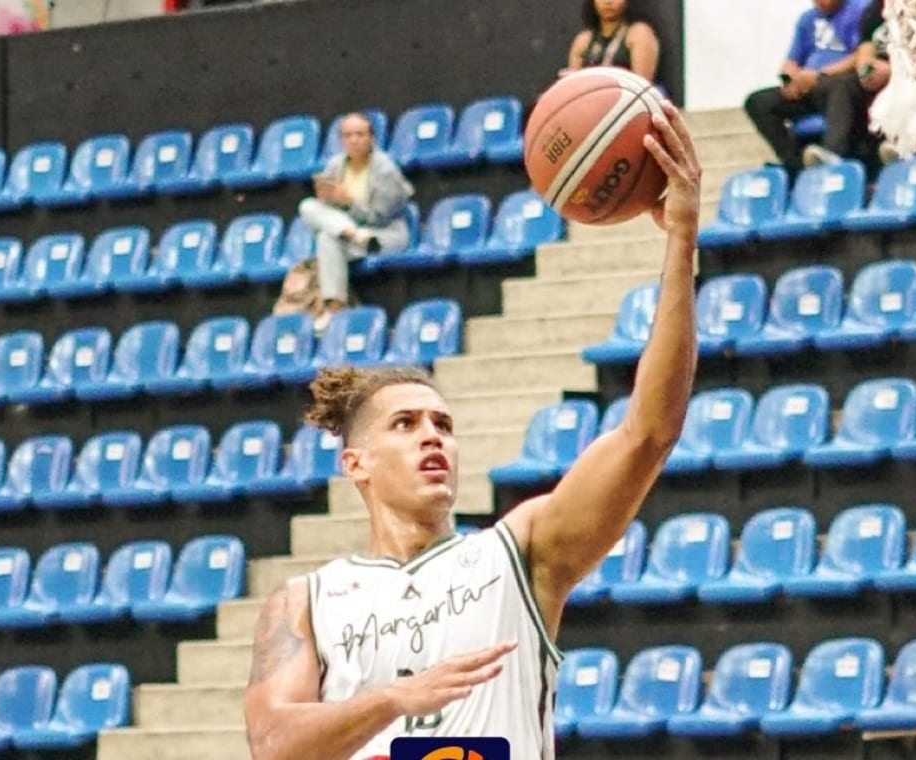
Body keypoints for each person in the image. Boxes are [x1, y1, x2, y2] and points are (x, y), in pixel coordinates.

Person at [243, 101, 701, 760]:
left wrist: (681, 239)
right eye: (405, 424)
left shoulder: (521, 552)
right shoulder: (303, 602)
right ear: (357, 463)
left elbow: (648, 433)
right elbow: (271, 744)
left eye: (444, 424)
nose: (434, 436)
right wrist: (394, 698)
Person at [297, 112, 414, 332]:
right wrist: (329, 199)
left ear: (371, 138)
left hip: (382, 235)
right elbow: (326, 212)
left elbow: (380, 218)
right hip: (354, 235)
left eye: (360, 134)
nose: (353, 140)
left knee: (326, 236)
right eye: (348, 135)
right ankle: (335, 306)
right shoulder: (335, 165)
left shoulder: (385, 169)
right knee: (307, 207)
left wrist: (349, 202)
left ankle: (333, 307)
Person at [744, 0, 868, 179]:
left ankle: (831, 156)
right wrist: (790, 78)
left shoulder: (860, 11)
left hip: (841, 83)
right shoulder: (807, 19)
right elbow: (791, 61)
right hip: (808, 88)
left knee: (840, 85)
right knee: (758, 102)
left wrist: (819, 75)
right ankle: (795, 164)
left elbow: (860, 56)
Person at [801, 0, 894, 169]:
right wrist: (867, 73)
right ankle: (801, 167)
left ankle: (835, 152)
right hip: (877, 78)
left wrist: (895, 70)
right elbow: (865, 51)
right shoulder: (876, 9)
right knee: (844, 84)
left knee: (839, 84)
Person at [561, 0, 659, 82]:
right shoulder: (583, 40)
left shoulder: (639, 33)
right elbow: (572, 88)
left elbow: (641, 86)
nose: (608, 2)